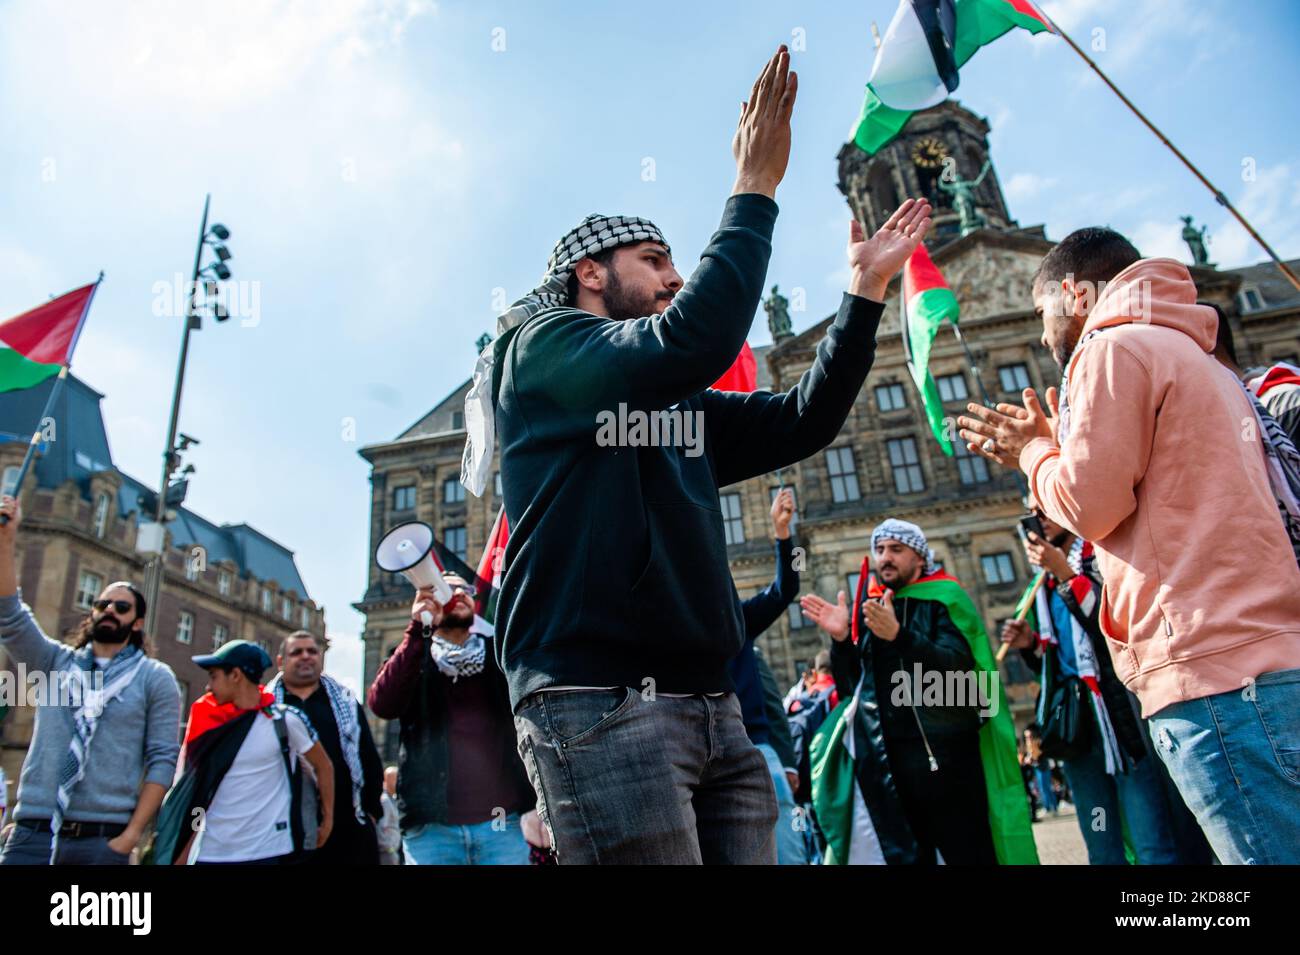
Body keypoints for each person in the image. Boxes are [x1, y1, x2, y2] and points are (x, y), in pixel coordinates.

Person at [474, 43, 932, 864]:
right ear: (589, 271)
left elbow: (802, 419)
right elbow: (692, 337)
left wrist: (862, 296)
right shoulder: (538, 348)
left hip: (714, 704)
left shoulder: (668, 405)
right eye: (655, 261)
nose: (675, 278)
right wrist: (753, 187)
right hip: (596, 699)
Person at [957, 229, 1300, 864]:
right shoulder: (1189, 351)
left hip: (1210, 671)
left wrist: (1032, 453)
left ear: (1076, 294)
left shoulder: (1108, 348)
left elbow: (1090, 505)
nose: (1041, 336)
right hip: (1266, 653)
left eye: (1042, 314)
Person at [800, 519, 1036, 865]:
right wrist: (841, 642)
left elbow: (962, 673)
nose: (885, 558)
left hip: (948, 758)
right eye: (880, 550)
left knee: (968, 854)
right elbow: (855, 691)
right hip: (892, 764)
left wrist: (901, 636)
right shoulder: (874, 609)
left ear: (920, 558)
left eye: (897, 549)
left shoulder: (943, 600)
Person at [0, 495, 181, 865]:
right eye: (102, 605)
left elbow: (162, 759)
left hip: (102, 839)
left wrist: (130, 837)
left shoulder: (154, 678)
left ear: (138, 622)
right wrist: (6, 541)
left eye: (122, 607)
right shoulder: (54, 662)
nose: (109, 611)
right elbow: (10, 616)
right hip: (34, 831)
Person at [1002, 508, 1183, 864]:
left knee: (1151, 841)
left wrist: (1066, 573)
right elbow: (1057, 660)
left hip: (1118, 718)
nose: (1042, 520)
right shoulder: (1044, 584)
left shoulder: (1100, 557)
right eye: (1035, 515)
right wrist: (1030, 645)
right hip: (1077, 726)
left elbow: (1110, 625)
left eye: (1048, 511)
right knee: (1101, 844)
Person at [366, 573, 535, 865]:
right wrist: (418, 627)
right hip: (432, 831)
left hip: (502, 824)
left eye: (465, 589)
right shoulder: (413, 659)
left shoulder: (499, 657)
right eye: (447, 589)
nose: (458, 594)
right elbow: (382, 704)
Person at [153, 640, 334, 865]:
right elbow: (195, 796)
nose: (208, 687)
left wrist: (327, 820)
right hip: (209, 853)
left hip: (268, 853)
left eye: (214, 676)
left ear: (236, 675)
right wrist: (182, 852)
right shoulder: (209, 725)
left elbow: (323, 765)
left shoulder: (284, 721)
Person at [730, 488, 804, 864]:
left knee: (787, 851)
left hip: (757, 749)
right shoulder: (673, 628)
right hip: (702, 753)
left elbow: (784, 589)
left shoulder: (738, 619)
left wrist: (782, 534)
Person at [269, 631, 384, 864]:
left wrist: (371, 814)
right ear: (281, 661)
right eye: (296, 652)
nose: (306, 656)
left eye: (312, 651)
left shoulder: (347, 703)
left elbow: (369, 760)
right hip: (284, 830)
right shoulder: (266, 707)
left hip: (349, 830)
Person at [377, 766, 402, 865]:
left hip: (394, 851)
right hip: (388, 853)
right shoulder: (385, 801)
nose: (398, 783)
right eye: (395, 779)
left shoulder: (394, 798)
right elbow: (380, 828)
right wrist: (389, 849)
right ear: (386, 780)